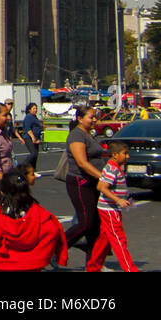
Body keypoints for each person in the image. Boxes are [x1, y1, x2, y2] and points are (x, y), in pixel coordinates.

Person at [0, 170, 68, 271]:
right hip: (33, 266)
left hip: (3, 266)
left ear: (1, 193)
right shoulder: (40, 214)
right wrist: (43, 256)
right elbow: (53, 230)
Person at [62, 104, 105, 264]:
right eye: (91, 117)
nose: (94, 120)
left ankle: (94, 264)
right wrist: (103, 177)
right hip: (80, 182)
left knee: (95, 225)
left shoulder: (89, 134)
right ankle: (57, 247)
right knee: (86, 222)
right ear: (80, 119)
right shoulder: (76, 135)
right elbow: (82, 162)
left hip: (93, 182)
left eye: (95, 117)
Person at [86, 140, 138, 272]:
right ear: (115, 154)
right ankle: (130, 269)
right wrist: (117, 200)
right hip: (109, 210)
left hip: (111, 209)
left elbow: (102, 185)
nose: (127, 156)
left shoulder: (114, 167)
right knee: (119, 240)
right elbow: (102, 187)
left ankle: (93, 267)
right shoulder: (112, 169)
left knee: (104, 240)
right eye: (124, 153)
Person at [19, 103, 43, 172]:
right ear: (29, 110)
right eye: (34, 108)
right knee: (33, 153)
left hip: (36, 137)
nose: (35, 110)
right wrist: (33, 138)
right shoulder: (28, 117)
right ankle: (22, 166)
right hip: (29, 138)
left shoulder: (34, 117)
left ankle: (33, 170)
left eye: (36, 108)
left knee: (36, 155)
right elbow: (28, 128)